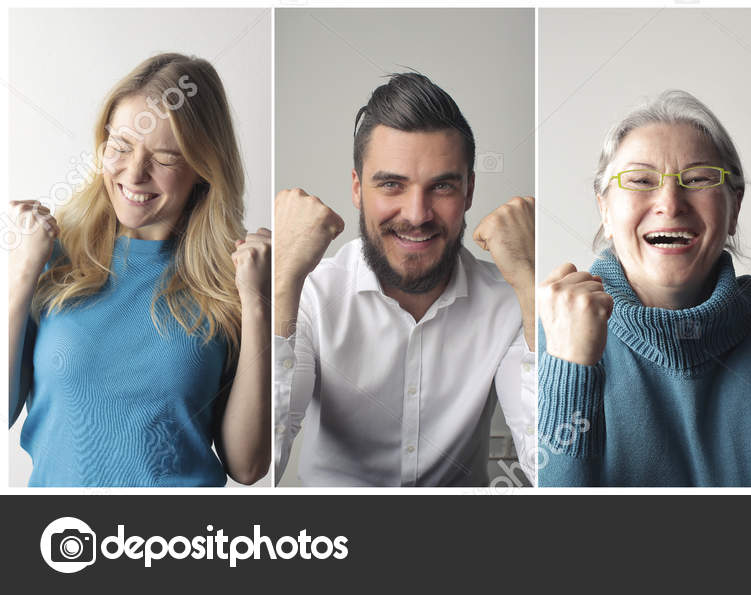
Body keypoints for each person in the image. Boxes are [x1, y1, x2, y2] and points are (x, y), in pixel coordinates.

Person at [8, 53, 270, 486]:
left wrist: (258, 304)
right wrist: (21, 275)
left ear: (203, 170)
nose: (134, 173)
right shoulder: (54, 257)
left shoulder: (233, 281)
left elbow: (247, 466)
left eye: (165, 158)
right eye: (121, 147)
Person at [273, 72, 539, 486]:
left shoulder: (511, 300)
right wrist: (283, 279)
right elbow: (258, 470)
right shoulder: (309, 295)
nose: (417, 214)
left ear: (468, 192)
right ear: (358, 190)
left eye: (442, 187)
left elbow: (554, 474)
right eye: (392, 185)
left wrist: (529, 281)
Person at [537, 90, 751, 487]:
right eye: (641, 180)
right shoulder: (549, 335)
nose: (670, 203)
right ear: (605, 210)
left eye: (697, 179)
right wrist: (571, 369)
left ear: (735, 208)